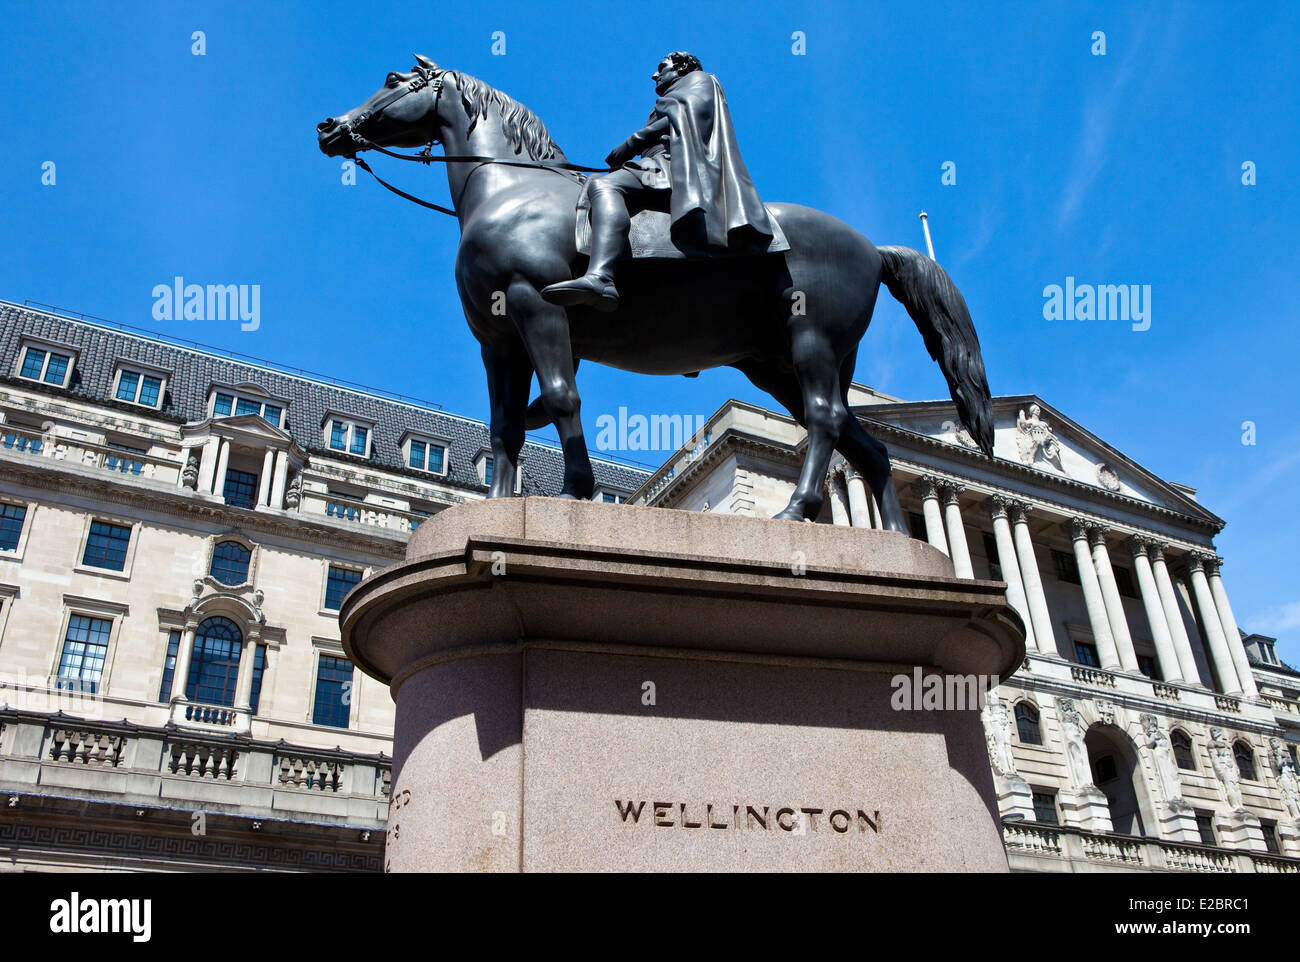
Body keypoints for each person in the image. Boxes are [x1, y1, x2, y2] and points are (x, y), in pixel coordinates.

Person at [542, 52, 775, 312]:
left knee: (605, 185)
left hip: (674, 166)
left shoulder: (700, 79)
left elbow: (690, 114)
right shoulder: (674, 95)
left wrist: (633, 142)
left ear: (682, 68)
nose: (655, 74)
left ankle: (601, 277)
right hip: (657, 164)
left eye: (662, 67)